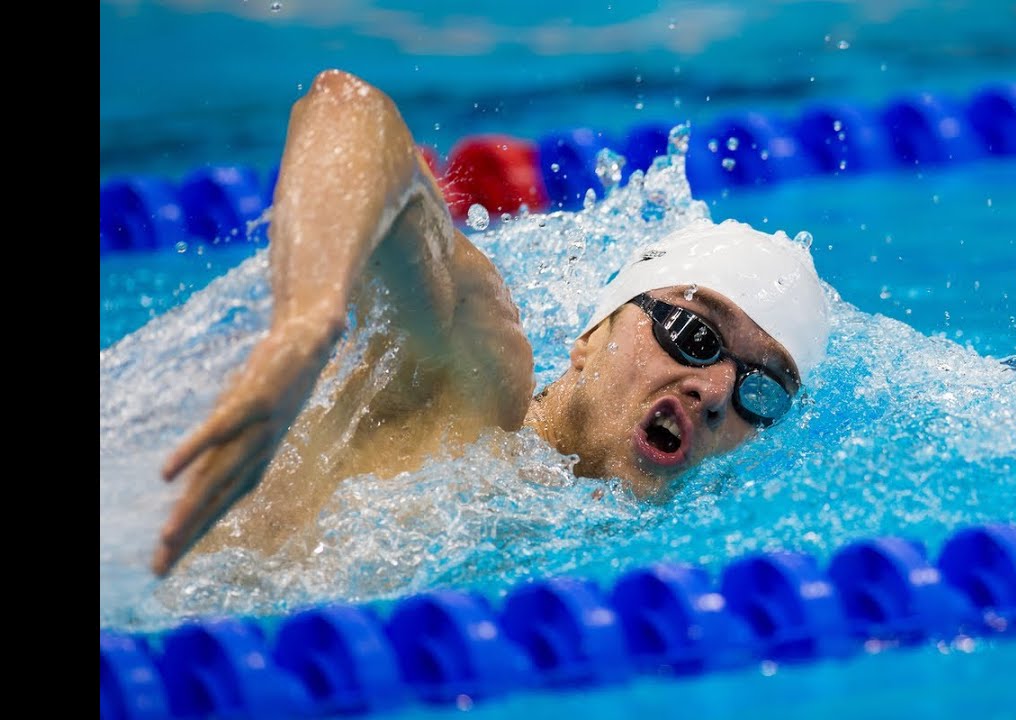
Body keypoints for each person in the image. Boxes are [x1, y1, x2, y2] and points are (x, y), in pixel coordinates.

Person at [151, 68, 831, 577]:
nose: (713, 393)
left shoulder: (637, 550)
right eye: (694, 336)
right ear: (590, 339)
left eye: (759, 390)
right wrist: (305, 320)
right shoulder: (477, 381)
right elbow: (346, 111)